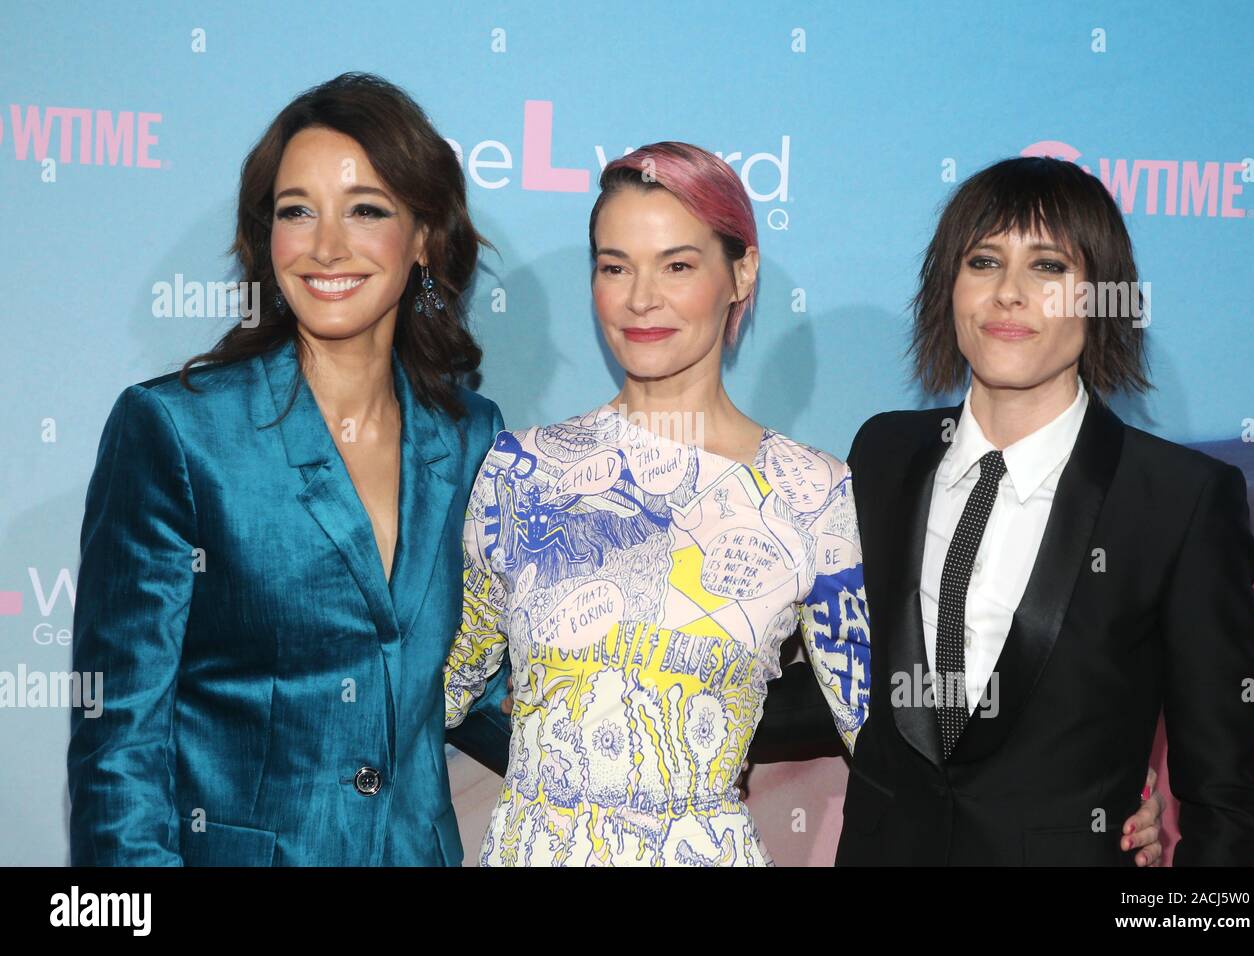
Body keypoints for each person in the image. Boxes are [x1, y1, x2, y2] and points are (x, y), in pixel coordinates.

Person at [67, 72, 509, 866]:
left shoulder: (471, 435)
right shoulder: (177, 430)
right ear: (265, 239)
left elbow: (490, 681)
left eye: (366, 209)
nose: (326, 245)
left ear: (422, 238)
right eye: (295, 210)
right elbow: (118, 744)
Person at [774, 155, 1254, 866]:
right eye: (983, 262)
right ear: (949, 287)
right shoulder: (882, 454)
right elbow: (848, 681)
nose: (1009, 294)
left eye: (1048, 268)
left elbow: (1224, 803)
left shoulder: (1178, 501)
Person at [444, 142, 871, 866]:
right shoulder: (522, 469)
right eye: (615, 267)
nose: (642, 298)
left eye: (677, 265)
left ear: (741, 274)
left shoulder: (810, 493)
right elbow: (445, 682)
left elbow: (880, 736)